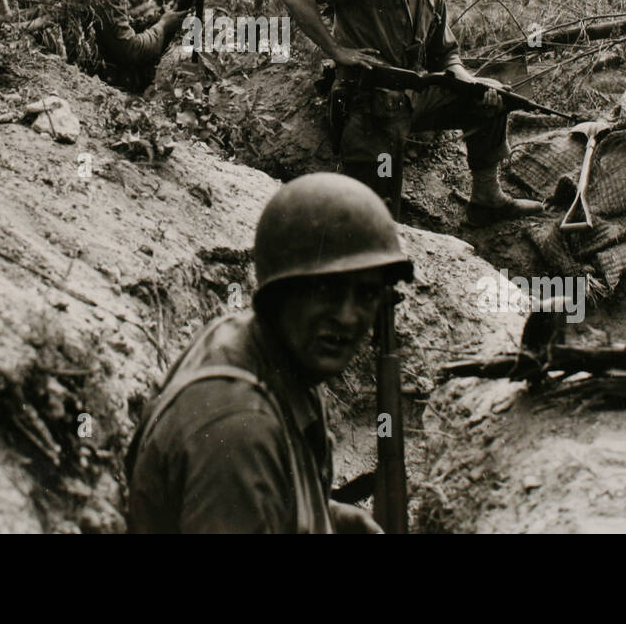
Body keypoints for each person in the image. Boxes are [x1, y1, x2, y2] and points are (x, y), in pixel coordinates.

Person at [127, 173, 412, 534]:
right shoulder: (238, 424)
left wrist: (332, 518)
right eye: (325, 290)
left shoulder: (268, 354)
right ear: (279, 294)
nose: (347, 316)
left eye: (366, 295)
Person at [278, 0, 542, 225]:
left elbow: (446, 55)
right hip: (368, 103)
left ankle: (486, 198)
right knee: (377, 216)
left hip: (413, 99)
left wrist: (468, 82)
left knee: (492, 95)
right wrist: (336, 50)